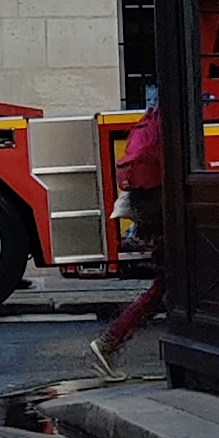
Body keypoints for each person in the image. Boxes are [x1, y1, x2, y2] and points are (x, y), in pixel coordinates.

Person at [89, 91, 166, 371]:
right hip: (158, 202)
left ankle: (110, 342)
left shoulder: (151, 115)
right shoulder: (175, 116)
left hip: (145, 200)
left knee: (166, 284)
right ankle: (109, 342)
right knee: (165, 285)